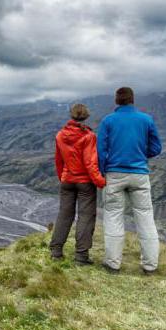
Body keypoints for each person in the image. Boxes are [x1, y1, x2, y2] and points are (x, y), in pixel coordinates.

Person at [97, 87, 162, 274]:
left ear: (117, 100)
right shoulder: (146, 120)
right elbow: (156, 148)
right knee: (145, 217)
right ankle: (150, 266)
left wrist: (103, 172)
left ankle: (113, 263)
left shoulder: (108, 121)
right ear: (132, 100)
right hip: (140, 174)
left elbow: (101, 151)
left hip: (114, 174)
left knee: (113, 215)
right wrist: (141, 154)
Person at [49, 103, 106, 264]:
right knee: (85, 217)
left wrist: (63, 178)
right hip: (85, 183)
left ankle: (56, 251)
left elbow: (58, 160)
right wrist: (100, 181)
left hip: (67, 180)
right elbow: (90, 163)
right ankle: (81, 256)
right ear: (86, 116)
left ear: (71, 115)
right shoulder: (88, 136)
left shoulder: (60, 135)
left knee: (64, 215)